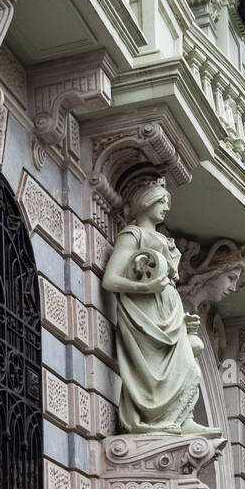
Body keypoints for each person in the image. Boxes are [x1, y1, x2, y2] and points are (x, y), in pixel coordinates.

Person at [101, 178, 219, 436]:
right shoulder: (133, 234)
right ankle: (154, 420)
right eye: (162, 201)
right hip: (145, 312)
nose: (166, 207)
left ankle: (182, 419)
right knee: (178, 368)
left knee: (189, 367)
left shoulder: (163, 239)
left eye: (167, 202)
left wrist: (181, 319)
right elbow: (111, 279)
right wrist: (145, 289)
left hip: (169, 311)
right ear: (146, 200)